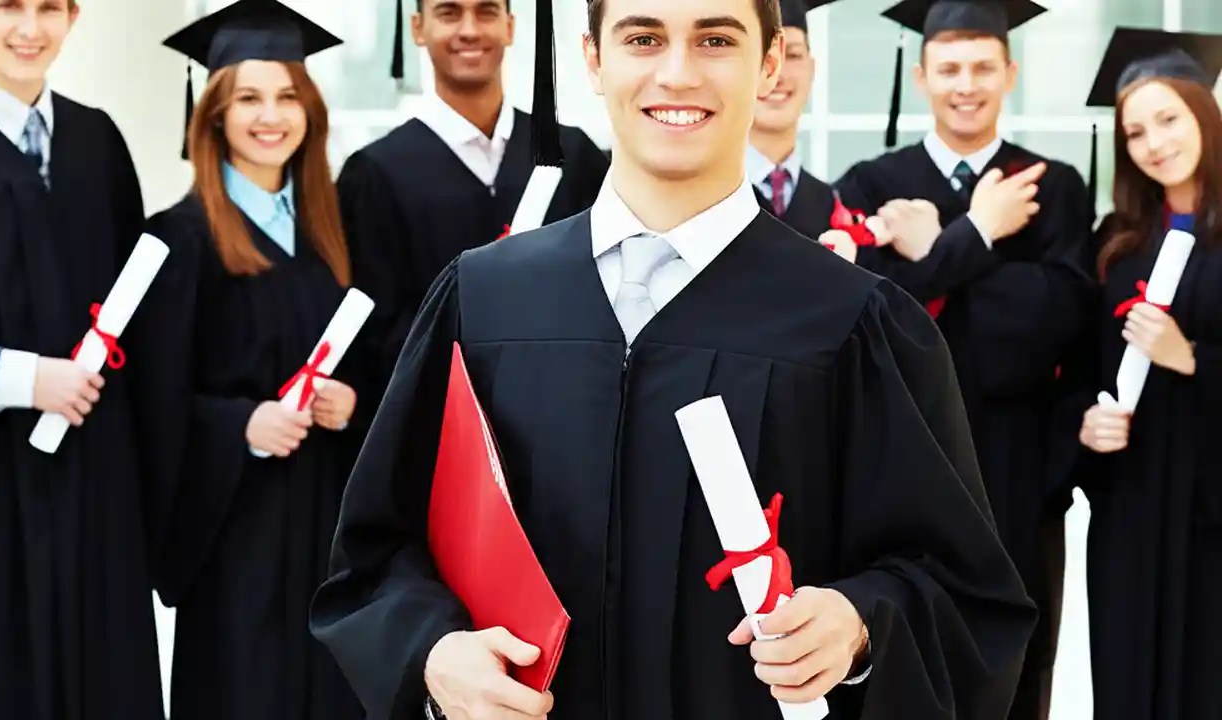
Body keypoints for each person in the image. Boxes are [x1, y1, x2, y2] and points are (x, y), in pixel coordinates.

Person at [311, 0, 1036, 718]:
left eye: (715, 39)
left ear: (770, 62)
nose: (678, 73)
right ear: (594, 59)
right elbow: (378, 553)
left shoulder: (851, 320)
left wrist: (859, 626)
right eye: (644, 38)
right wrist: (434, 654)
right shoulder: (485, 298)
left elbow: (964, 594)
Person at [833, 2, 1095, 717]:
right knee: (903, 652)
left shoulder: (1053, 185)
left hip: (1018, 464)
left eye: (983, 66)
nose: (966, 84)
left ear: (1010, 72)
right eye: (949, 68)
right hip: (906, 458)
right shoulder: (870, 182)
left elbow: (1056, 323)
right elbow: (878, 319)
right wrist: (976, 235)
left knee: (1020, 664)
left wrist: (931, 257)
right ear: (921, 76)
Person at [130, 1, 375, 717]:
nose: (271, 116)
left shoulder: (334, 236)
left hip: (330, 531)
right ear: (213, 115)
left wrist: (352, 402)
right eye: (249, 98)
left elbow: (381, 358)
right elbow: (152, 400)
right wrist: (239, 424)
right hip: (237, 535)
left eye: (287, 95)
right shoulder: (180, 241)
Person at [0, 1, 162, 718]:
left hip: (95, 492)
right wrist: (15, 375)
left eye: (50, 7)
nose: (30, 28)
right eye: (9, 5)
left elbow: (145, 330)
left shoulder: (96, 143)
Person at [1076, 27, 1222, 720]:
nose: (1155, 142)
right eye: (1135, 132)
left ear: (1203, 113)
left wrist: (1191, 358)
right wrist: (1087, 419)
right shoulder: (1116, 241)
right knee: (1129, 676)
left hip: (1213, 509)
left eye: (1168, 118)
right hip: (1133, 505)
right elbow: (1077, 362)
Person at [336, 0, 610, 368]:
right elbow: (377, 325)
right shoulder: (375, 173)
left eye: (486, 11)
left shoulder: (573, 155)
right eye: (449, 13)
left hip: (562, 388)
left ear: (510, 26)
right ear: (418, 28)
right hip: (436, 404)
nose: (469, 29)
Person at [747, 0, 839, 238]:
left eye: (794, 55)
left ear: (812, 68)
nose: (778, 74)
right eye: (762, 56)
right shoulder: (700, 198)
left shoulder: (833, 204)